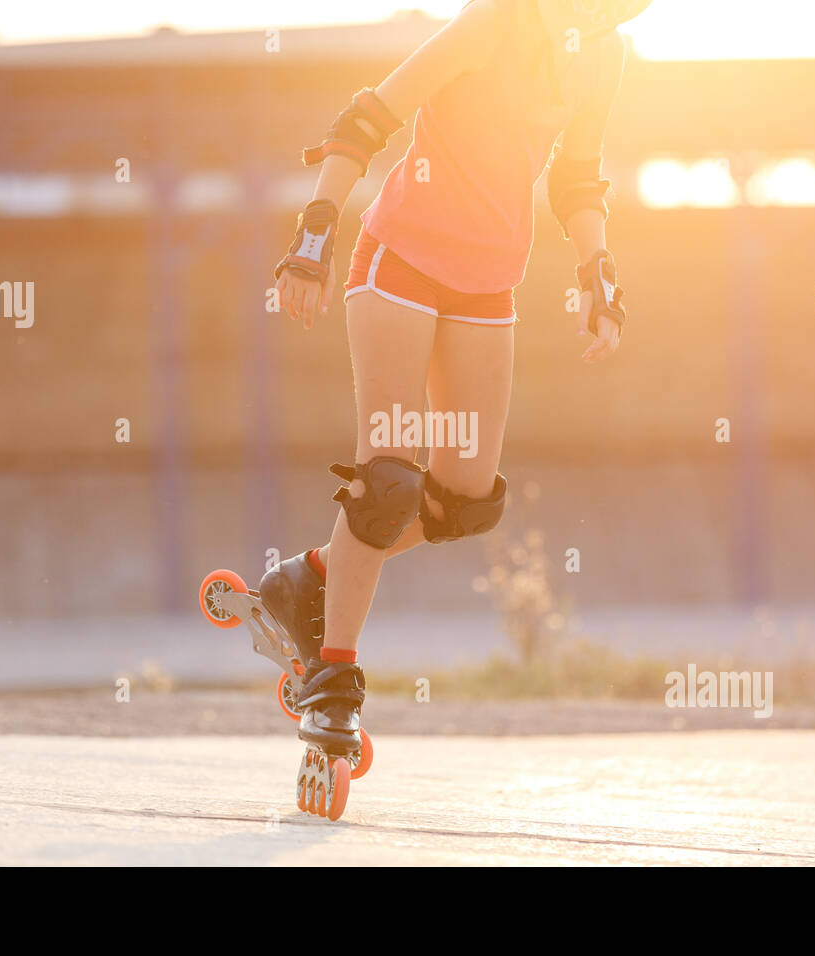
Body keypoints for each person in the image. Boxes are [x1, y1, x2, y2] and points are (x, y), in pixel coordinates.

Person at [264, 0, 646, 760]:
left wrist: (597, 274)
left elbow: (577, 175)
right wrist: (314, 236)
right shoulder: (493, 22)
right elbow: (368, 117)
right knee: (389, 484)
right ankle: (332, 686)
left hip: (487, 283)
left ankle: (307, 579)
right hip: (399, 262)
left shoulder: (604, 55)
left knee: (465, 499)